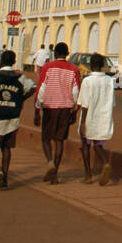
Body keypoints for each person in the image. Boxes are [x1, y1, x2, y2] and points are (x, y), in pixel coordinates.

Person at [0, 49, 36, 189]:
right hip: (13, 115)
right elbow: (33, 87)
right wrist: (21, 99)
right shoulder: (19, 77)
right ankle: (5, 177)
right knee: (7, 147)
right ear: (14, 62)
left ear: (1, 61)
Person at [35, 42, 81, 184]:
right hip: (65, 108)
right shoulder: (74, 69)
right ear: (67, 54)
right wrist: (74, 112)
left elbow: (41, 88)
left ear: (55, 53)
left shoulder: (48, 67)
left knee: (45, 138)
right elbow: (76, 92)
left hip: (49, 106)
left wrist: (37, 109)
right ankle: (55, 175)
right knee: (59, 140)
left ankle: (50, 162)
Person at [77, 53, 116, 185]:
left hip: (89, 117)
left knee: (85, 145)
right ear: (102, 66)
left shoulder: (87, 81)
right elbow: (112, 102)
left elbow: (84, 104)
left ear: (91, 65)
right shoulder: (109, 81)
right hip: (103, 117)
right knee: (98, 145)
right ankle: (105, 162)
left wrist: (82, 123)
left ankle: (88, 175)